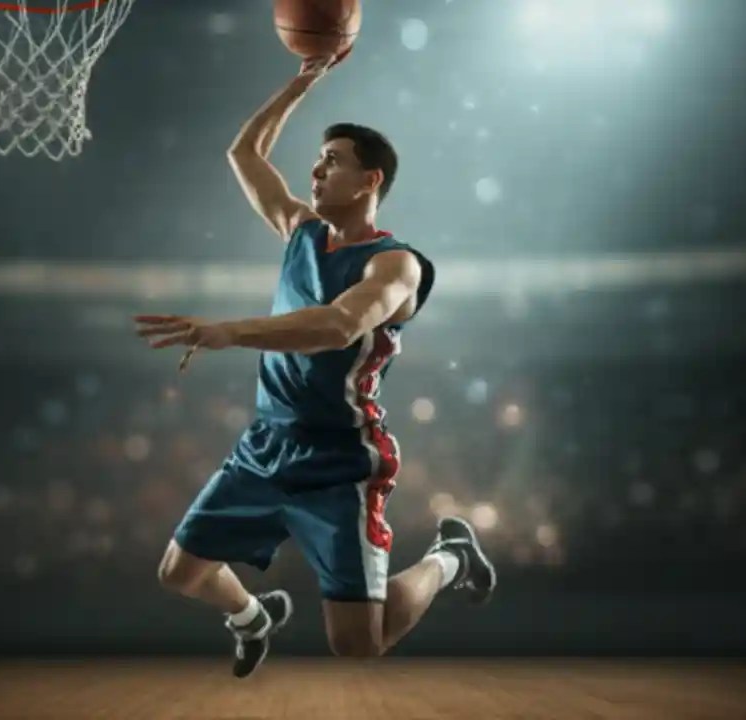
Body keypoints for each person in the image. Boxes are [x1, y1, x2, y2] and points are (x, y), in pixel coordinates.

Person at [134, 55, 496, 678]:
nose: (316, 168)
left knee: (359, 643)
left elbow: (335, 327)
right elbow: (244, 155)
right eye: (319, 158)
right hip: (267, 444)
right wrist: (300, 83)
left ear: (369, 180)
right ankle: (253, 617)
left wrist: (228, 332)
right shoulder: (300, 230)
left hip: (340, 458)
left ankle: (451, 558)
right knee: (179, 572)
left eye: (333, 160)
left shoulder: (397, 265)